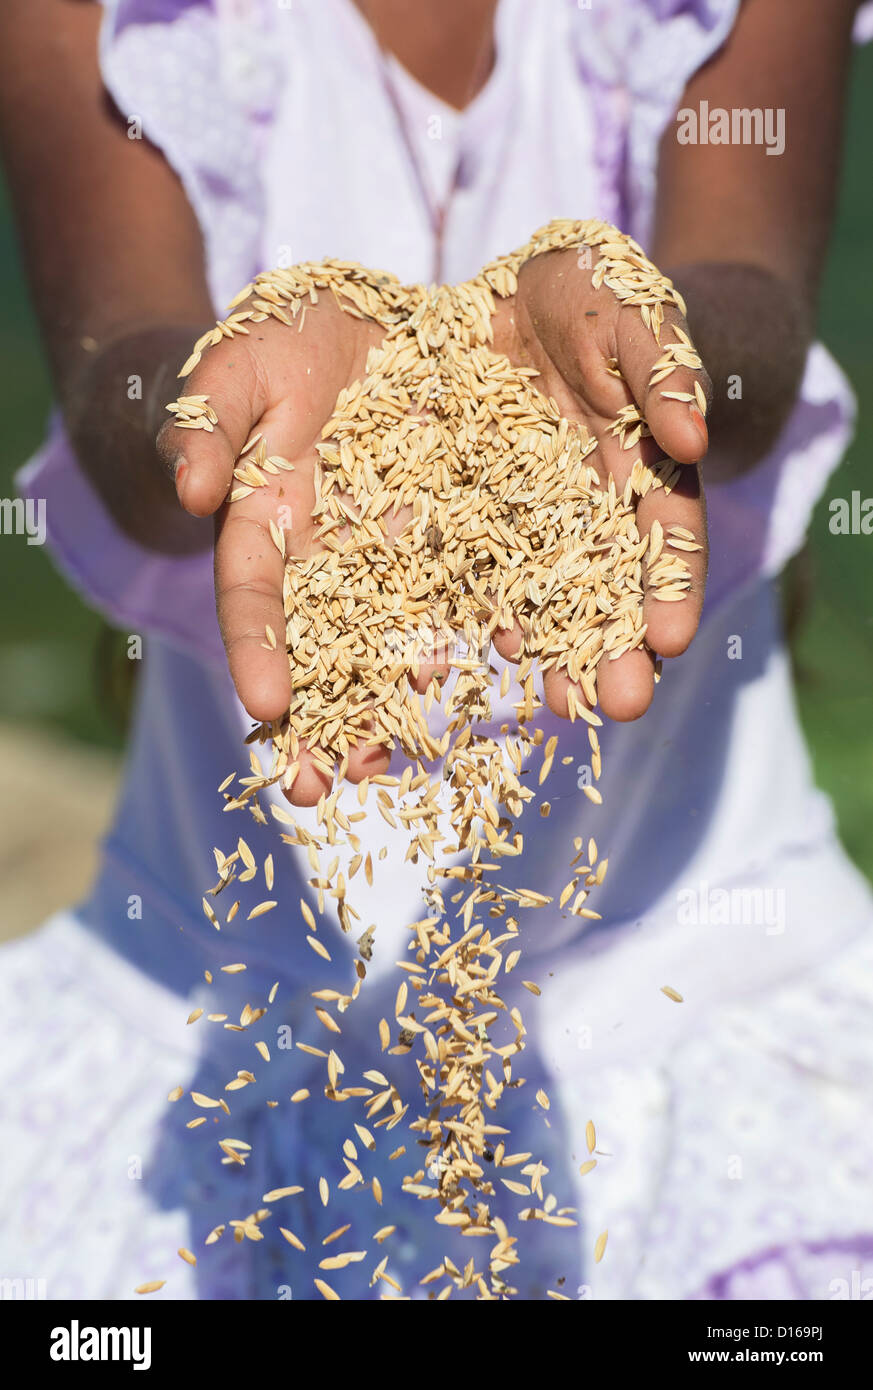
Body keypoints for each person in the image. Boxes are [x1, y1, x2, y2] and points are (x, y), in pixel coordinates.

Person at [0, 0, 871, 1301]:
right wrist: (219, 409)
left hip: (692, 983)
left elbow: (745, 305)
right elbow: (124, 380)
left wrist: (640, 346)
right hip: (227, 1007)